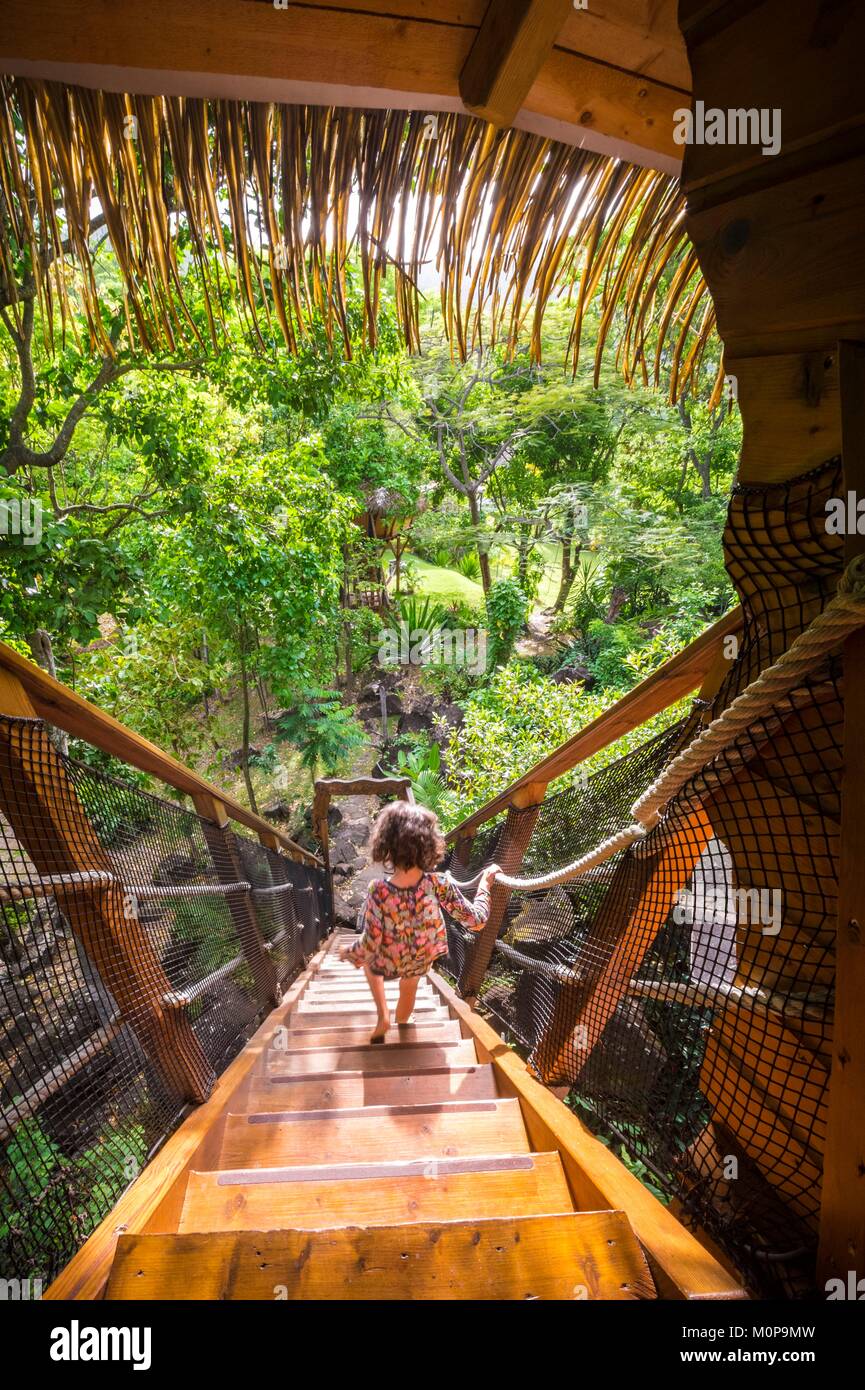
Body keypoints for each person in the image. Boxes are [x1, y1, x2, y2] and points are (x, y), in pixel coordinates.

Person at [340, 801, 501, 1043]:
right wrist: (485, 886)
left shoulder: (379, 890)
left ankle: (383, 1014)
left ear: (385, 845)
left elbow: (371, 941)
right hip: (421, 955)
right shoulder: (438, 883)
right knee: (409, 986)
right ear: (429, 845)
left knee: (370, 964)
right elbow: (476, 921)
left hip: (391, 954)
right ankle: (403, 1021)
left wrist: (351, 952)